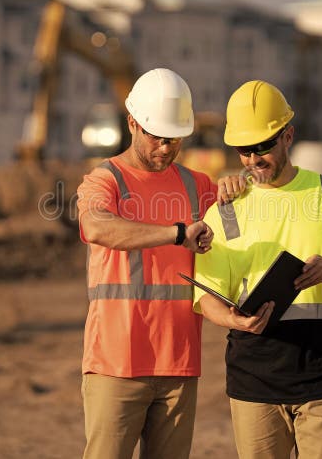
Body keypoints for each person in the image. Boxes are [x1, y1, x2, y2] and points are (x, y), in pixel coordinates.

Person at [194, 80, 322, 459]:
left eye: (262, 146)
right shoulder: (225, 208)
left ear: (288, 136)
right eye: (244, 150)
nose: (253, 159)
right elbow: (205, 293)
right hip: (253, 376)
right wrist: (234, 320)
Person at [76, 68, 218, 459]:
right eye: (157, 136)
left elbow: (239, 236)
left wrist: (240, 190)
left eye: (174, 138)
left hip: (179, 363)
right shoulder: (103, 181)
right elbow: (99, 227)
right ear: (132, 124)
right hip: (116, 363)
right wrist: (175, 232)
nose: (165, 148)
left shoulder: (199, 185)